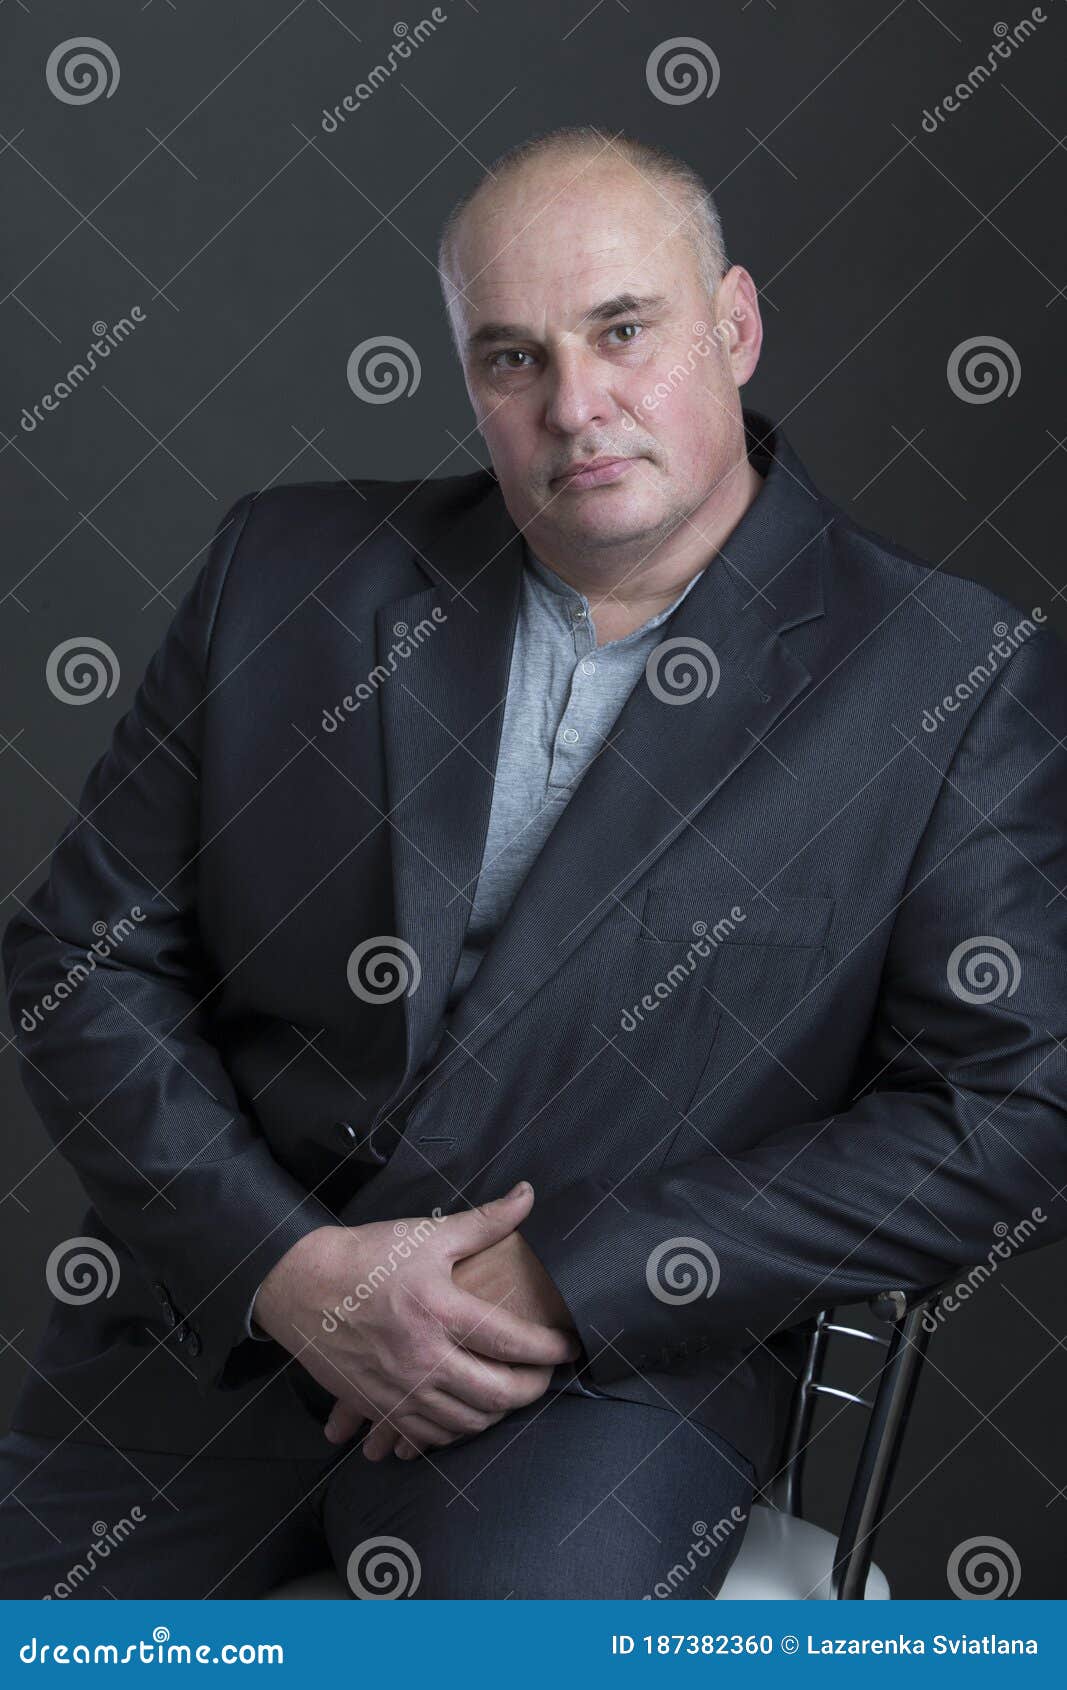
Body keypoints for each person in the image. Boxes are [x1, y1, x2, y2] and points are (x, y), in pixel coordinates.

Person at [2, 125, 1065, 1600]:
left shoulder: (944, 674)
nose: (578, 406)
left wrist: (575, 1278)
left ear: (735, 324)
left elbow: (1009, 1102)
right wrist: (288, 1269)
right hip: (223, 1341)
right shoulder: (286, 574)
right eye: (514, 360)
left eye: (624, 331)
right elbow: (81, 959)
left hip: (591, 1391)